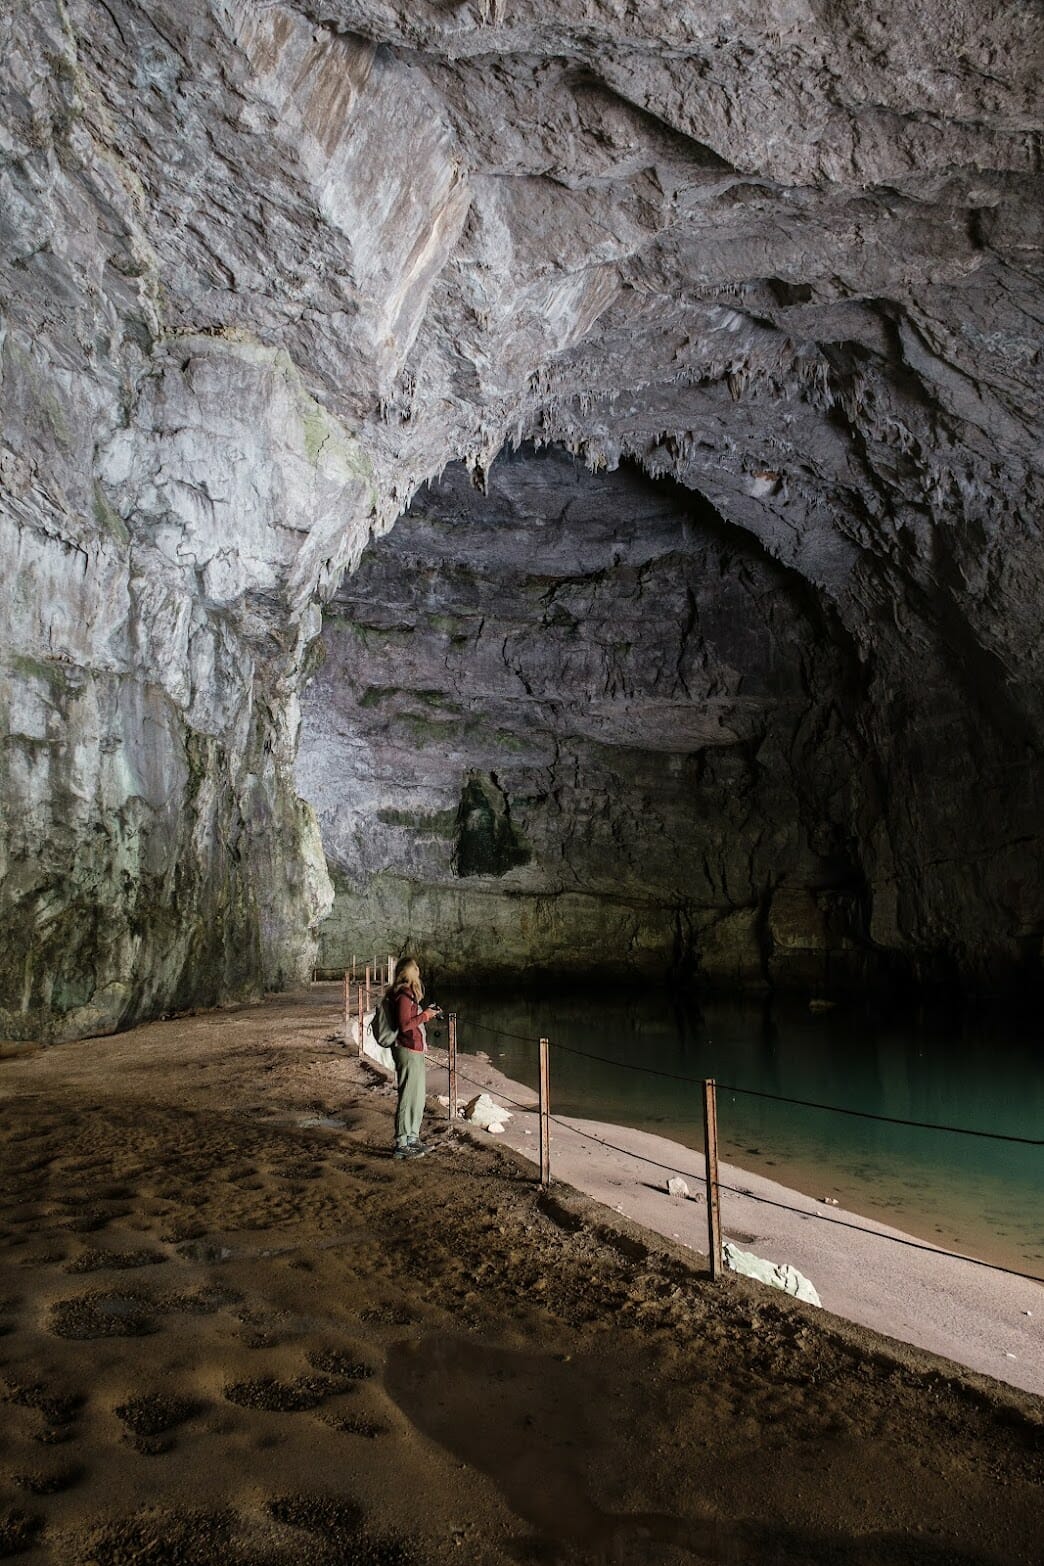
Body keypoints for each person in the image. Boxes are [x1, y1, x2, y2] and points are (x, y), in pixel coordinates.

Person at [387, 958, 442, 1160]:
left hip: (415, 1050)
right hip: (407, 1049)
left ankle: (412, 1138)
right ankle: (402, 1143)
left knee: (417, 1097)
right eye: (416, 968)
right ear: (410, 972)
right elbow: (404, 1025)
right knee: (408, 1096)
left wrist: (425, 1013)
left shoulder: (409, 994)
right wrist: (425, 1015)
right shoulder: (403, 994)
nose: (419, 972)